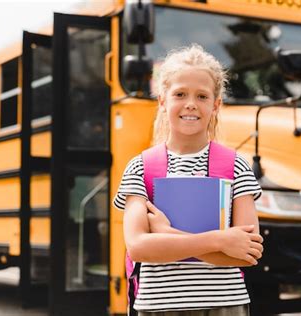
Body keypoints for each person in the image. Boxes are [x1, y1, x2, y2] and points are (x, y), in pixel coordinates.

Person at [113, 44, 263, 316]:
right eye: (180, 94)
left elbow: (247, 253)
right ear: (162, 101)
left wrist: (166, 235)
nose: (190, 103)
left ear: (216, 105)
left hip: (225, 306)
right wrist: (220, 240)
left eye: (202, 96)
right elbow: (138, 247)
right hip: (159, 306)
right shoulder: (140, 168)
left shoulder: (236, 166)